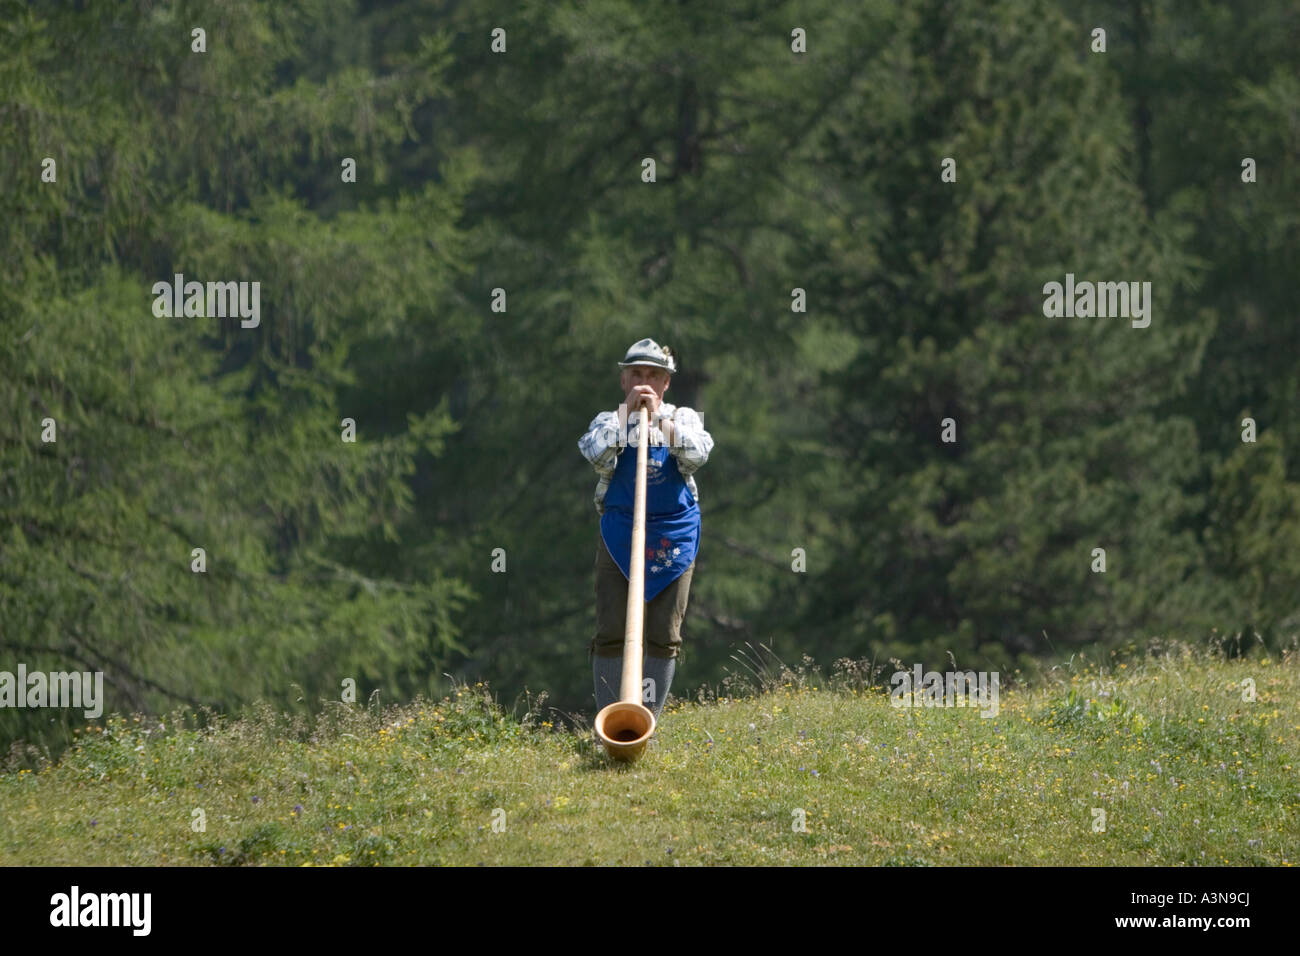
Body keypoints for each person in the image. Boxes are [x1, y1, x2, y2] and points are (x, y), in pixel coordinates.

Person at [577, 338, 713, 723]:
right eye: (636, 373)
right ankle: (611, 719)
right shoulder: (609, 421)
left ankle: (645, 720)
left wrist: (661, 421)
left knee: (663, 635)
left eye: (653, 375)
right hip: (620, 536)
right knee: (609, 631)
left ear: (666, 383)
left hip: (674, 538)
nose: (644, 383)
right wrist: (627, 419)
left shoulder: (684, 418)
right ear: (623, 379)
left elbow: (698, 454)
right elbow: (592, 452)